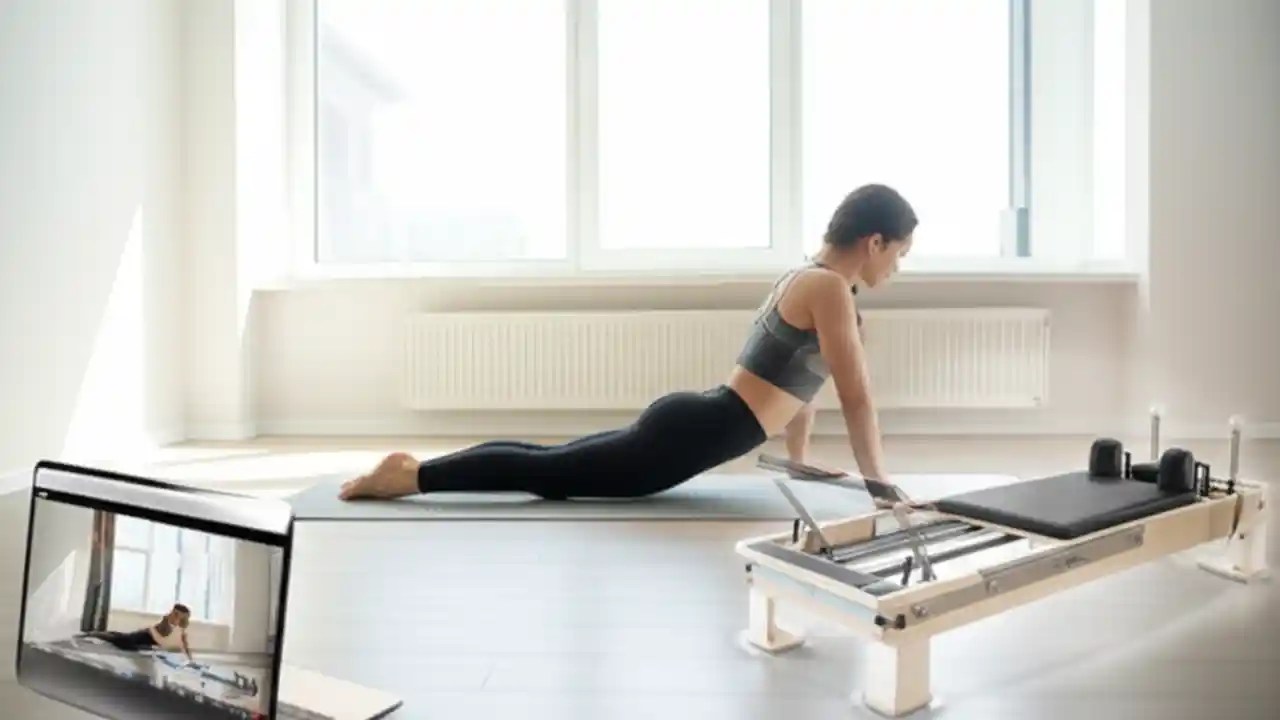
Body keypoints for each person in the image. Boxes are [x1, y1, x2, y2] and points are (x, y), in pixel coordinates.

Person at [339, 183, 916, 502]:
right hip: (697, 432)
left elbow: (800, 390)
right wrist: (880, 484)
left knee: (551, 460)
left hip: (697, 420)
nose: (896, 267)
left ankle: (415, 470)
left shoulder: (808, 278)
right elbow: (856, 397)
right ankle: (413, 477)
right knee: (550, 476)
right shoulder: (829, 289)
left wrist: (799, 463)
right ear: (873, 242)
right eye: (898, 254)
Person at [85, 603, 195, 664]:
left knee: (120, 638)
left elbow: (184, 647)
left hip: (146, 640)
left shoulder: (180, 631)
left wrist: (190, 660)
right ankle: (93, 634)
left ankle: (94, 634)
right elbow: (162, 635)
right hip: (144, 636)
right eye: (173, 613)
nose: (172, 615)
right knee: (119, 638)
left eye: (176, 614)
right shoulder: (167, 622)